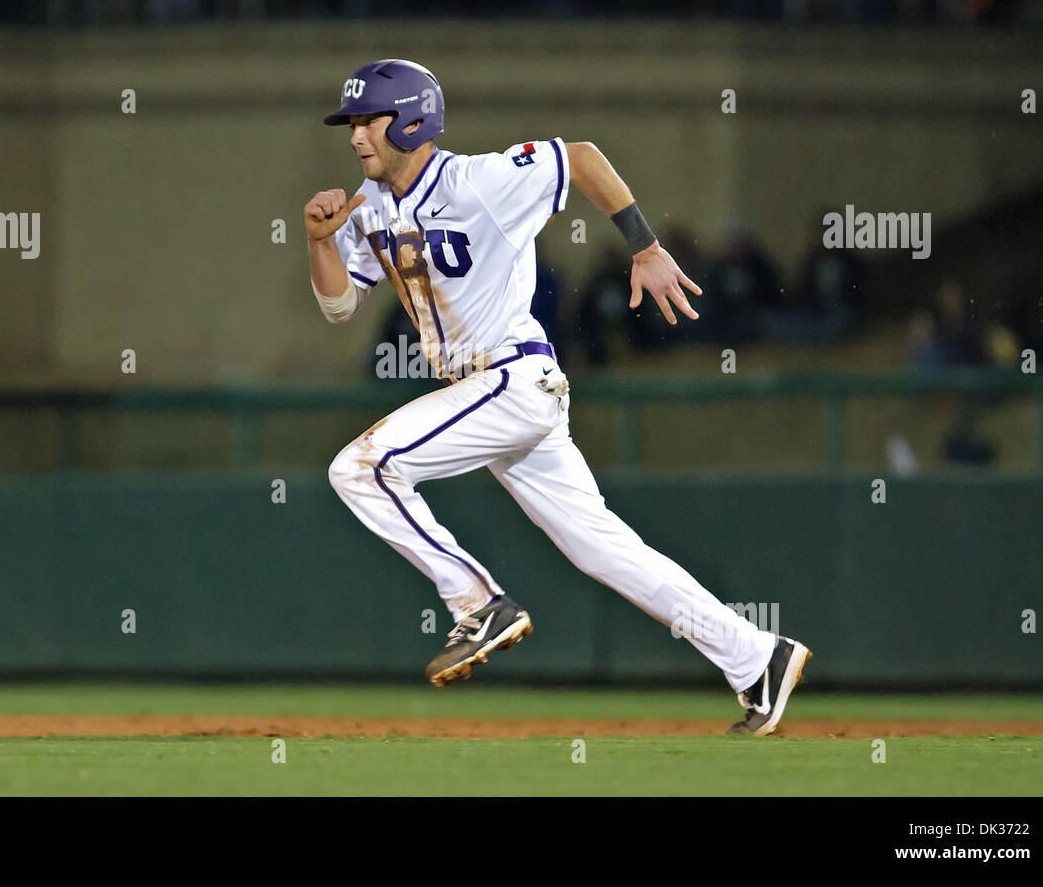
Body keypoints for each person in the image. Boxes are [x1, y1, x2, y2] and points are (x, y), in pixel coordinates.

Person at [303, 59, 811, 735]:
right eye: (352, 123)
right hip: (496, 396)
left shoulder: (477, 180)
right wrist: (319, 244)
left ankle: (477, 603)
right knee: (603, 549)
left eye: (368, 119)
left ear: (412, 118)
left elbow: (584, 159)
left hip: (511, 380)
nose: (356, 135)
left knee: (359, 467)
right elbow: (339, 307)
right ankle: (756, 657)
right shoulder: (371, 212)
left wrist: (645, 248)